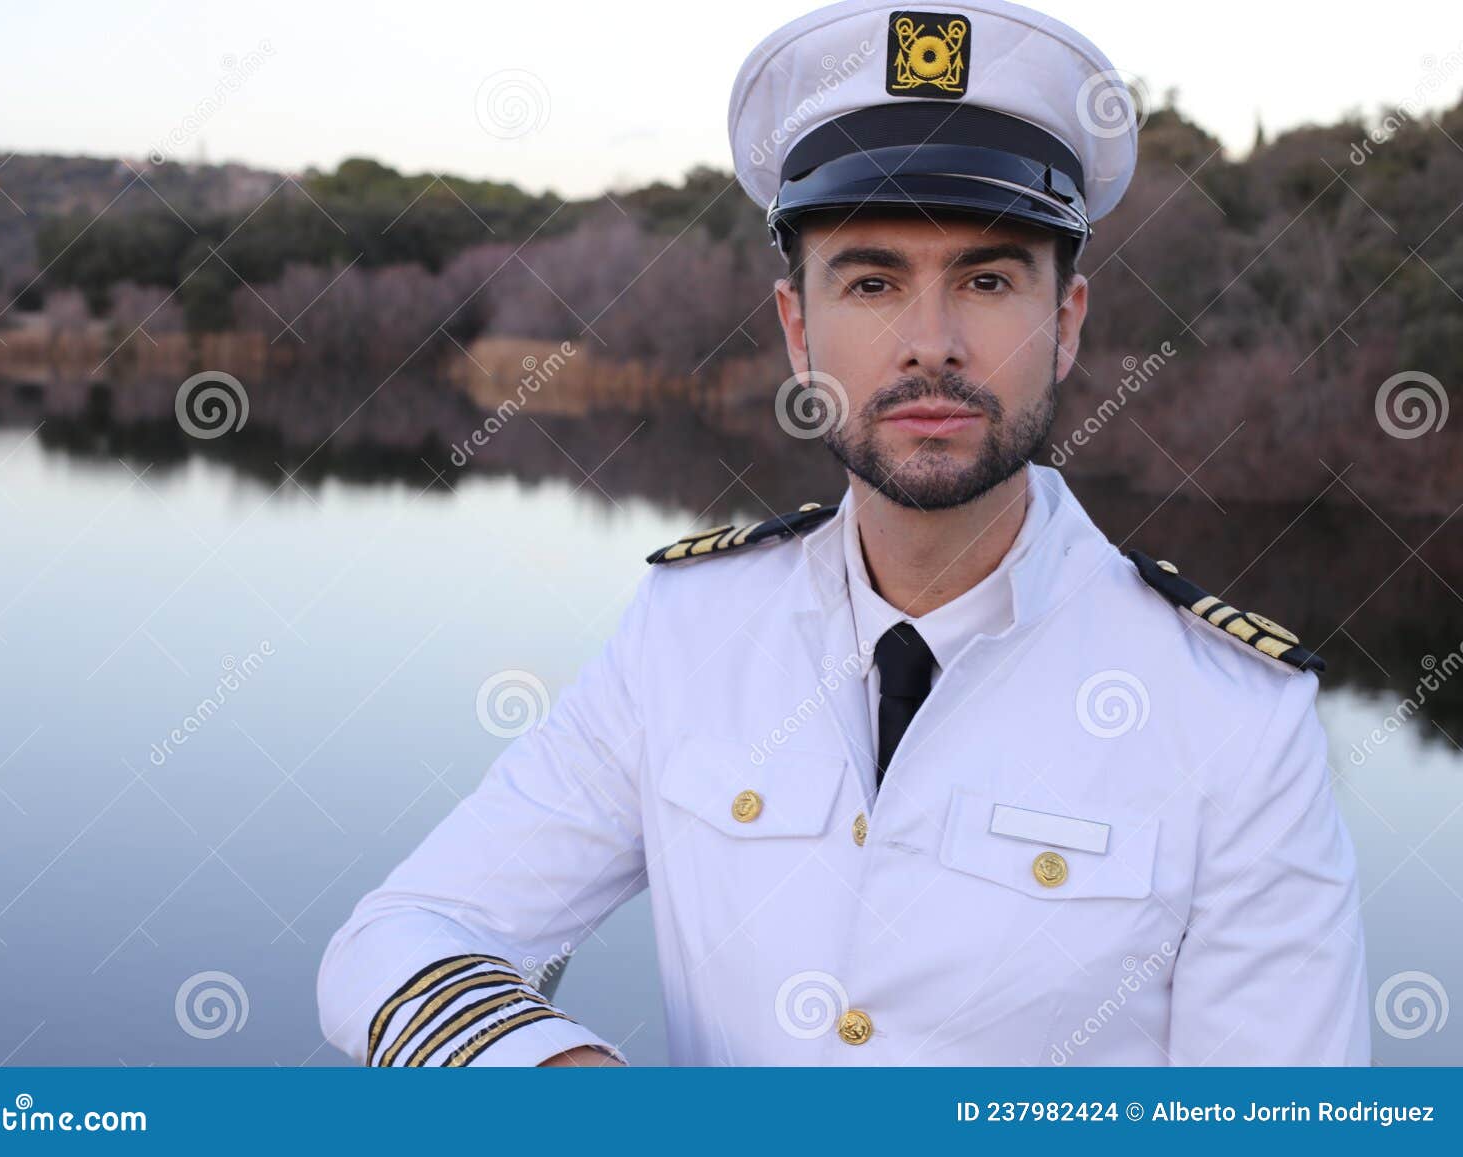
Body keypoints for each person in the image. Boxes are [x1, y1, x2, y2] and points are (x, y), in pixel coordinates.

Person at [317, 0, 1370, 1067]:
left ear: (1065, 324)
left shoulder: (1234, 715)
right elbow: (400, 937)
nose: (931, 344)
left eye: (988, 280)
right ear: (797, 328)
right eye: (872, 283)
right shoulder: (689, 633)